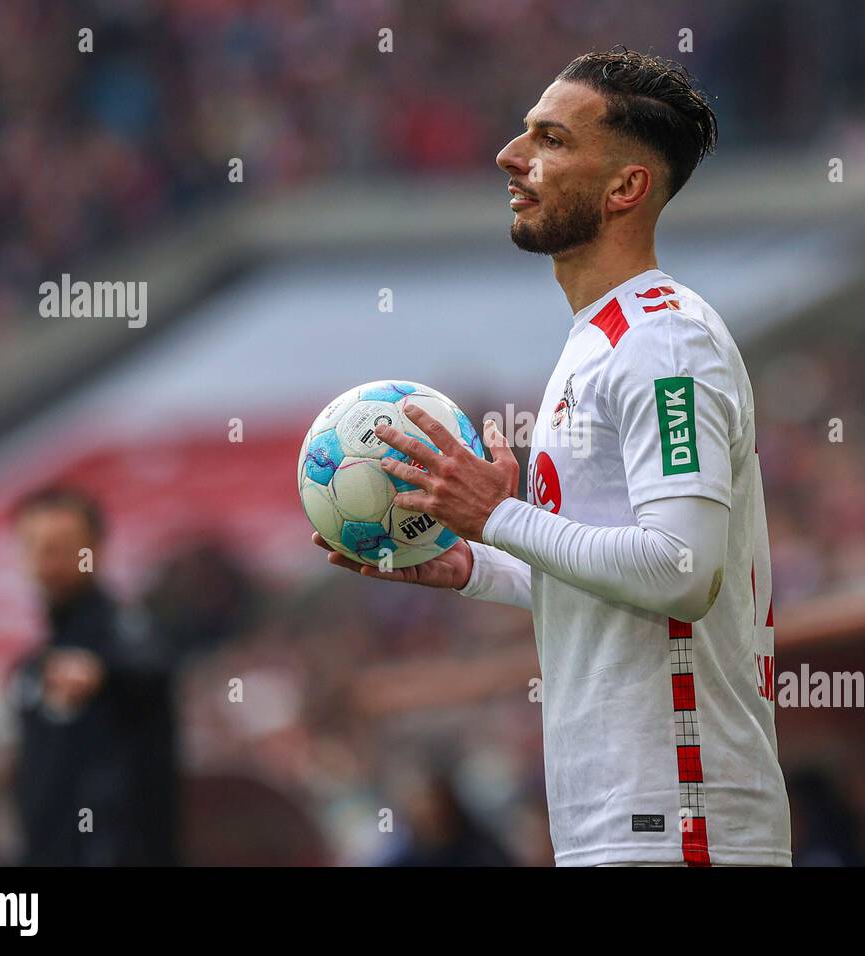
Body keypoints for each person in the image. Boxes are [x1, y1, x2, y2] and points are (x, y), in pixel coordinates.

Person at [316, 49, 790, 867]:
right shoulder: (597, 342)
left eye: (551, 138)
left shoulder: (662, 341)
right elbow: (621, 587)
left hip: (685, 821)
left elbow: (682, 569)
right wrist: (480, 561)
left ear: (625, 188)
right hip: (626, 820)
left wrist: (501, 514)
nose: (509, 154)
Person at [10, 486, 179, 865]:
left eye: (59, 547)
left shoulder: (126, 632)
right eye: (34, 546)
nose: (45, 561)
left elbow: (148, 667)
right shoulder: (33, 665)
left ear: (94, 549)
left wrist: (101, 675)